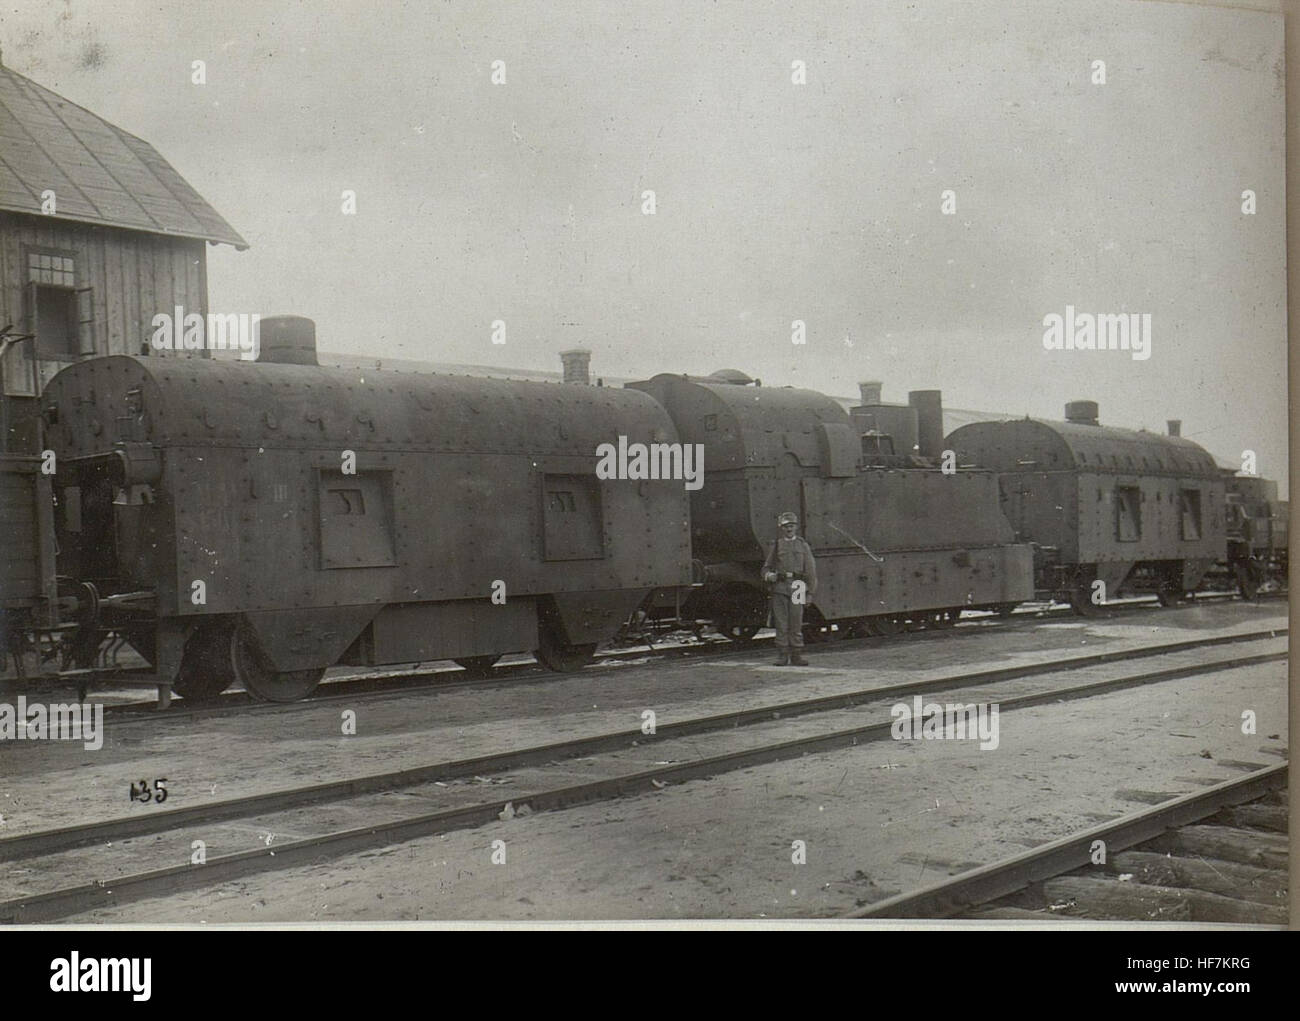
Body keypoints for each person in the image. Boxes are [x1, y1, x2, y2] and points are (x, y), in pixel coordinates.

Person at [762, 511, 817, 665]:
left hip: (798, 586)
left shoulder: (802, 545)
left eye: (791, 526)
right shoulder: (777, 545)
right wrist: (769, 576)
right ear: (781, 528)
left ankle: (796, 655)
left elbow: (811, 571)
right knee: (781, 623)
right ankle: (782, 655)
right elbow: (765, 568)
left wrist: (810, 593)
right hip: (780, 587)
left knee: (796, 622)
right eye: (786, 526)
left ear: (796, 527)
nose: (789, 529)